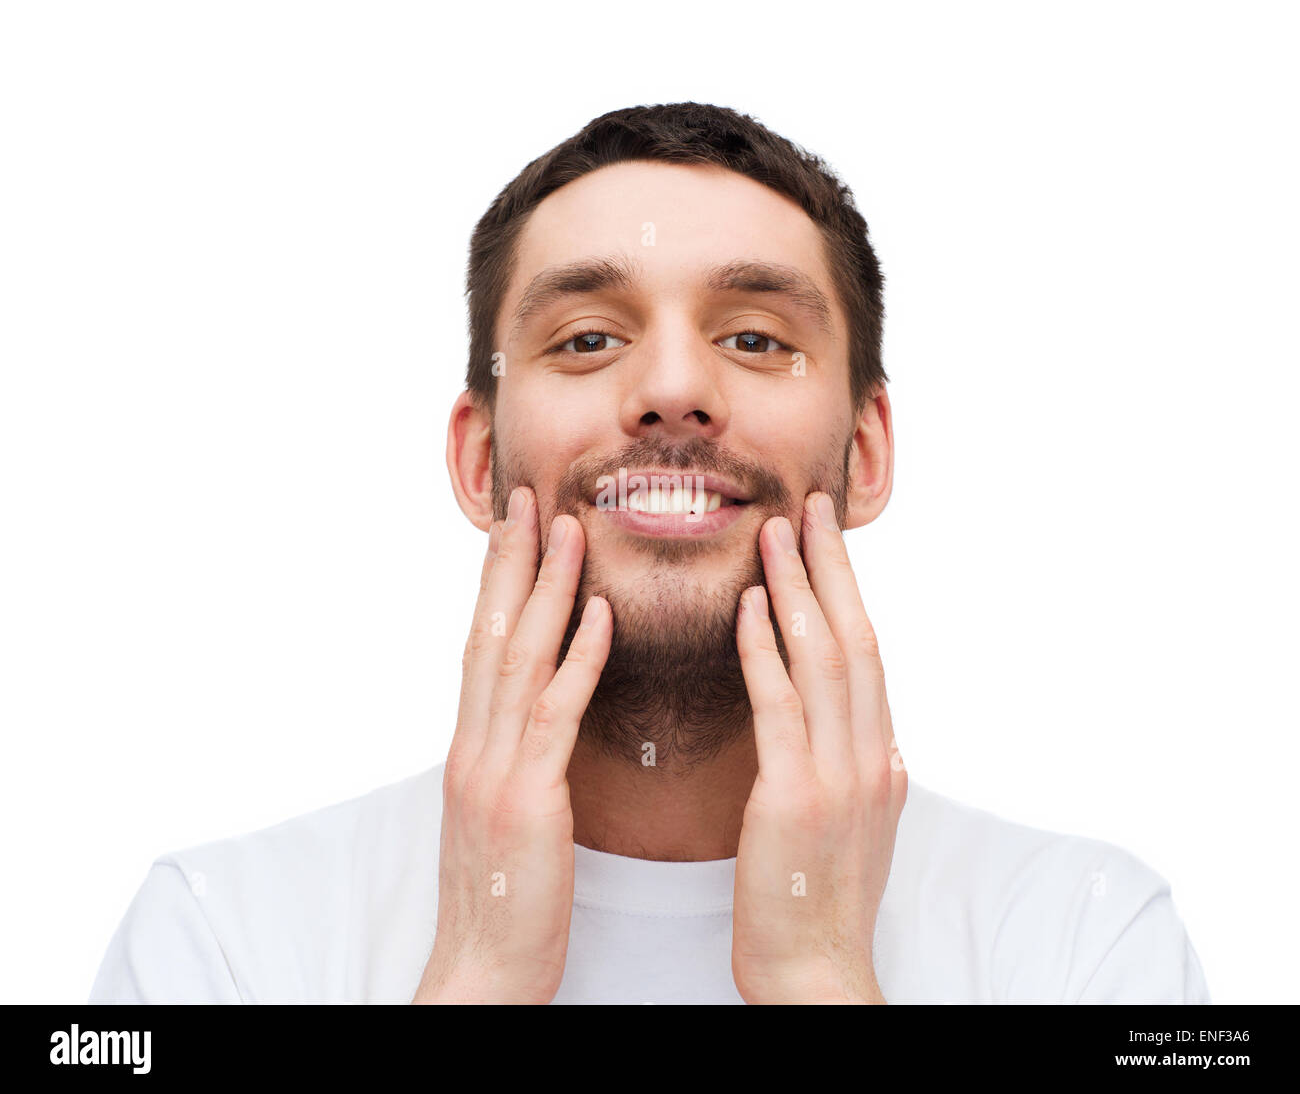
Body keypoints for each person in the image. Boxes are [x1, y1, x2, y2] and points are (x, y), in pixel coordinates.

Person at [90, 102, 1209, 1004]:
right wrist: (475, 977)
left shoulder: (1090, 944)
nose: (673, 391)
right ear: (480, 458)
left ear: (864, 452)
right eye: (587, 340)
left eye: (755, 339)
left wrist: (819, 977)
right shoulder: (219, 937)